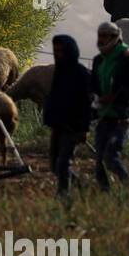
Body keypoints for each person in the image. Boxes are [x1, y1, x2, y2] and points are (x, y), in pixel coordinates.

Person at [90, 22, 129, 192]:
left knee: (110, 156)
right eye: (100, 35)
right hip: (103, 116)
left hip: (120, 117)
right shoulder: (98, 60)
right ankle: (105, 194)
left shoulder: (127, 58)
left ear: (115, 38)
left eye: (105, 36)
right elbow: (93, 86)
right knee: (99, 161)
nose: (101, 39)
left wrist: (115, 97)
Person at [42, 34, 93, 198]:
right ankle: (81, 185)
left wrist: (84, 129)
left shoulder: (81, 74)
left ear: (69, 51)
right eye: (55, 50)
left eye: (61, 51)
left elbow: (86, 103)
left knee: (63, 162)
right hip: (58, 125)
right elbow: (54, 97)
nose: (57, 54)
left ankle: (63, 194)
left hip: (73, 127)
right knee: (54, 165)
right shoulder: (60, 72)